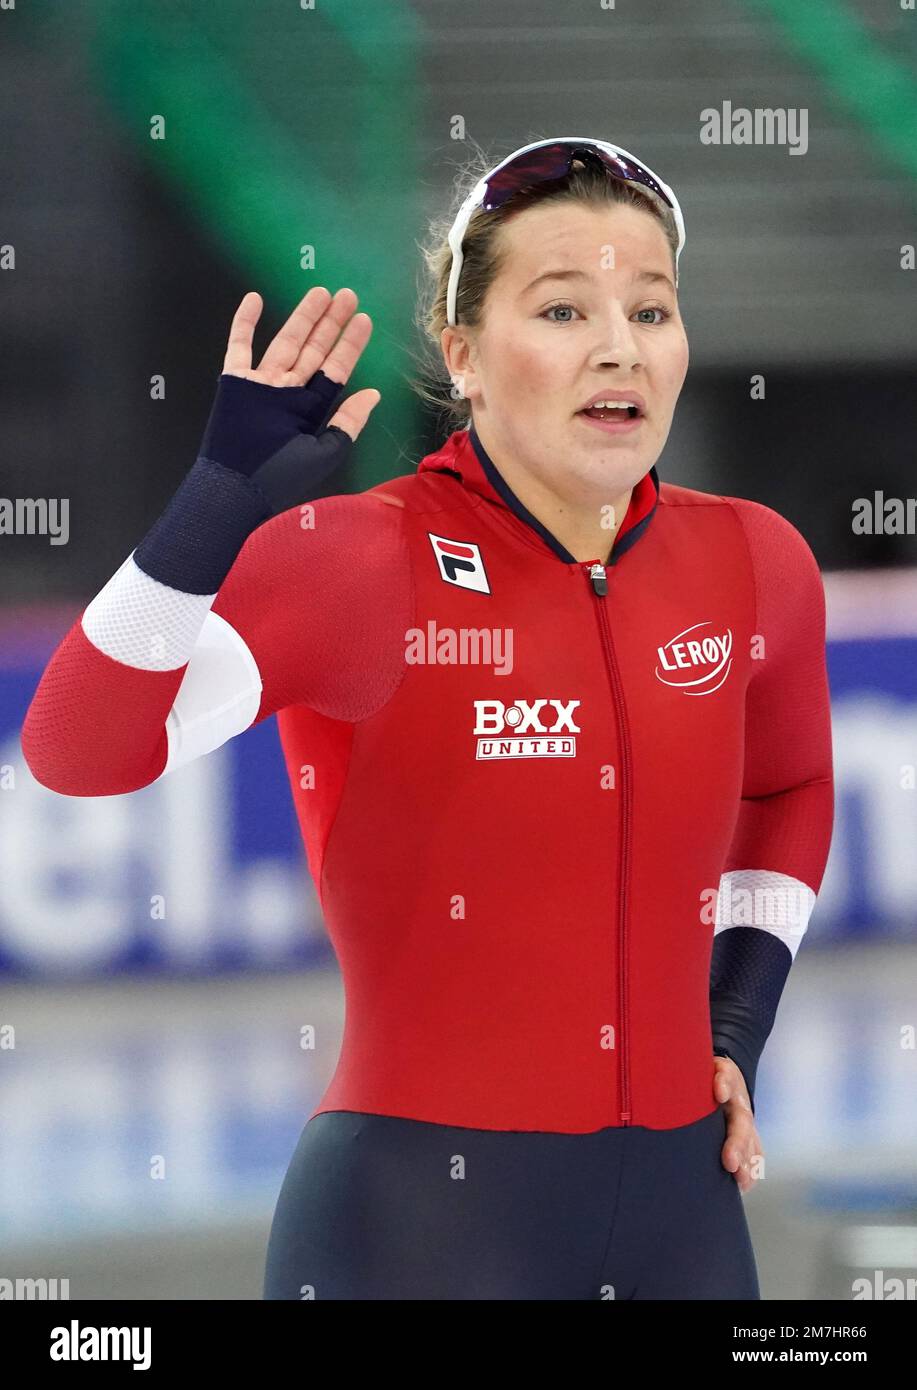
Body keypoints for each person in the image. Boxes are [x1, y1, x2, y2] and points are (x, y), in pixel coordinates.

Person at [21, 136, 834, 1300]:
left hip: (684, 1215)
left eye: (650, 311)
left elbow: (787, 786)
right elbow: (73, 750)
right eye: (561, 310)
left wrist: (733, 1026)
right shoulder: (361, 561)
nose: (618, 346)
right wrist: (208, 513)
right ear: (462, 354)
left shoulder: (753, 560)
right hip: (417, 1228)